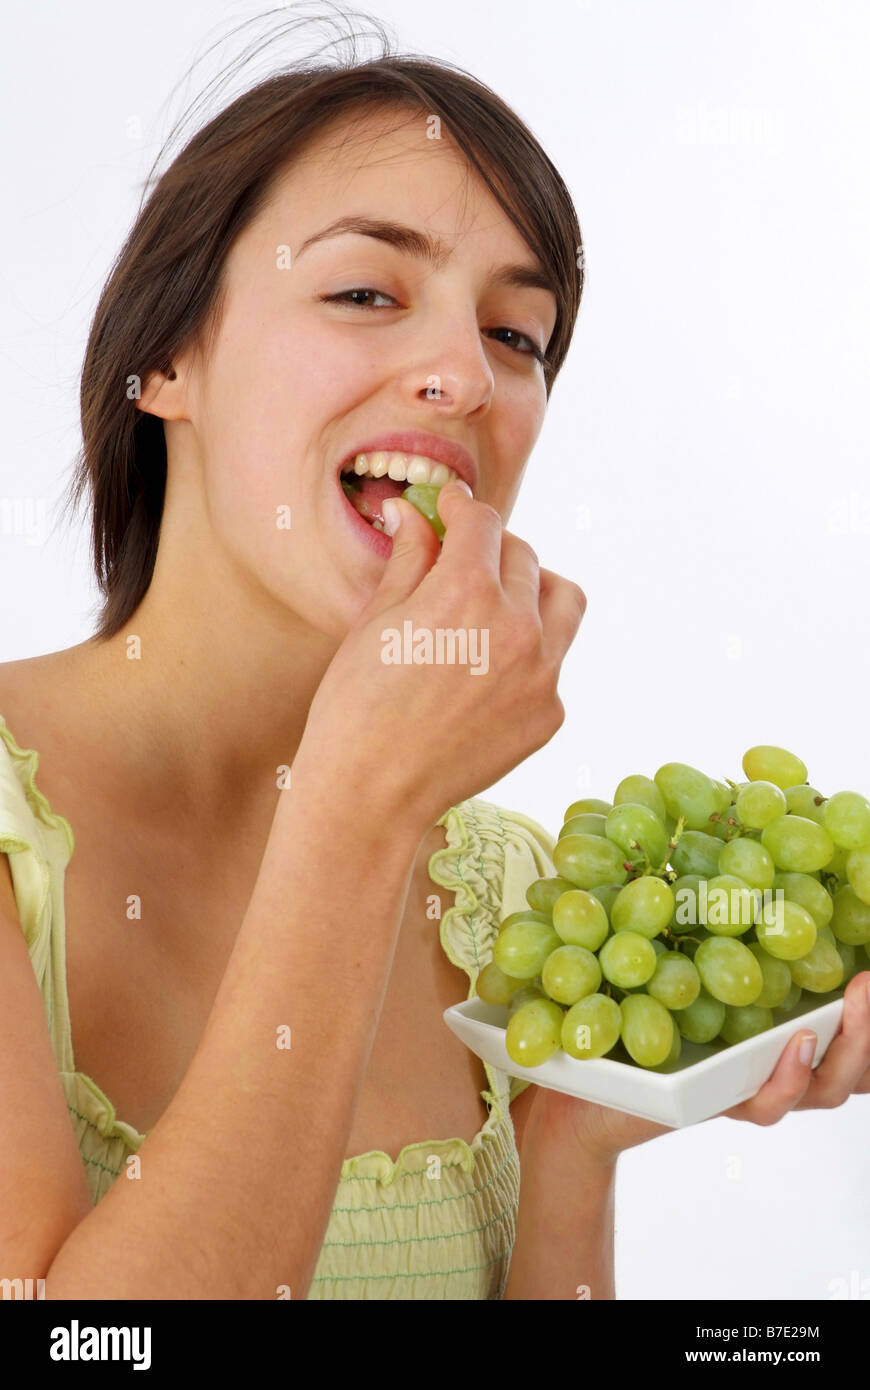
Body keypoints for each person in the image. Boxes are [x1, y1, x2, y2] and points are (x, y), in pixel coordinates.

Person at [2, 33, 869, 1302]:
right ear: (169, 357)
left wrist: (573, 1142)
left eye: (518, 335)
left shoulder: (505, 898)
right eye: (366, 292)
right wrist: (354, 811)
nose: (467, 377)